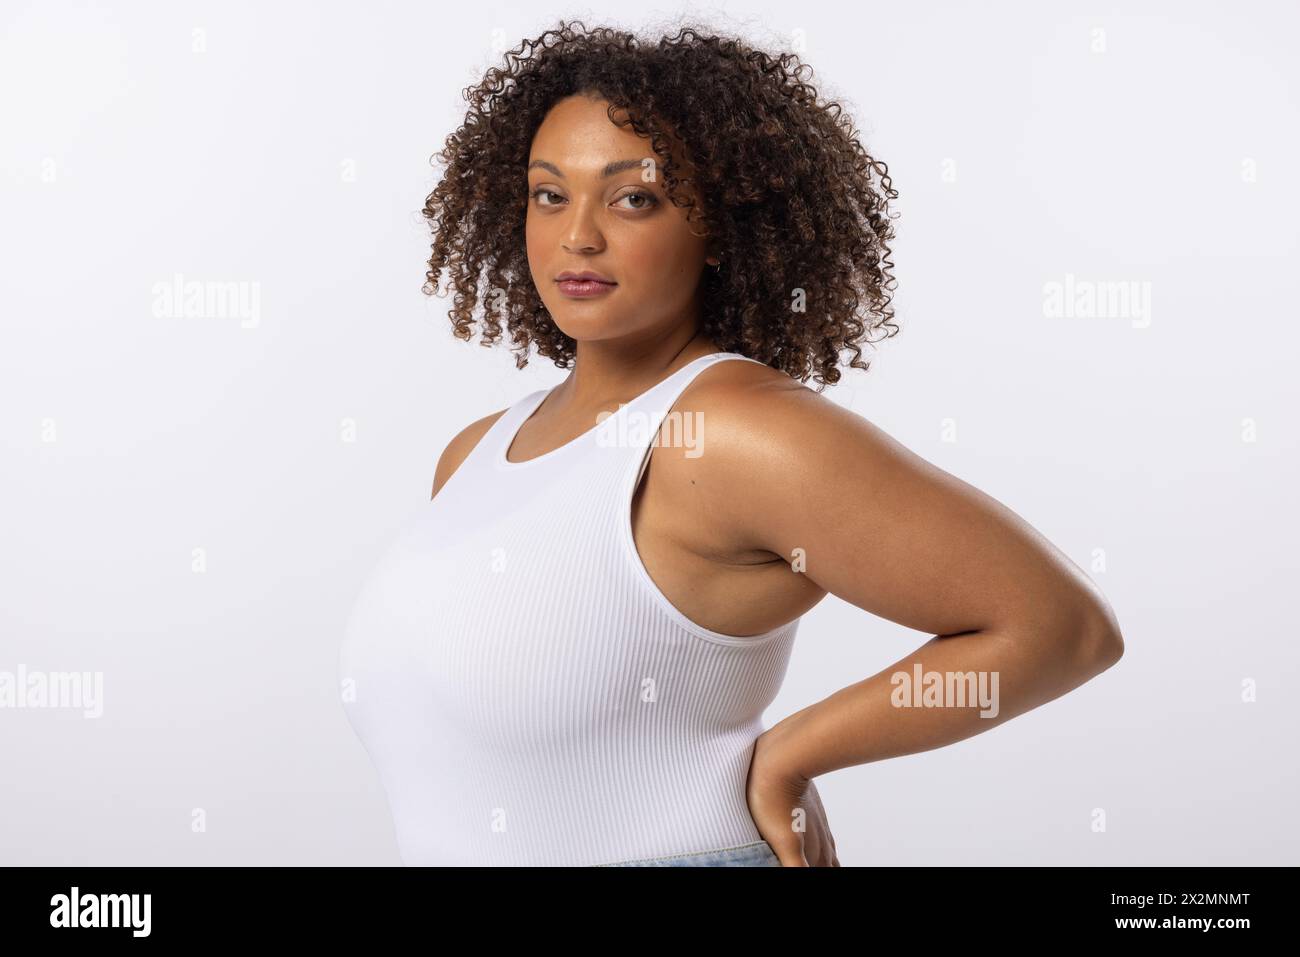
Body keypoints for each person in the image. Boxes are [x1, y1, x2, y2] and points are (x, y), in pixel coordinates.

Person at [339, 20, 1124, 868]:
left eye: (634, 196)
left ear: (723, 223)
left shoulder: (730, 432)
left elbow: (1059, 627)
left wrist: (793, 751)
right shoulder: (475, 453)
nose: (579, 236)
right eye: (548, 193)